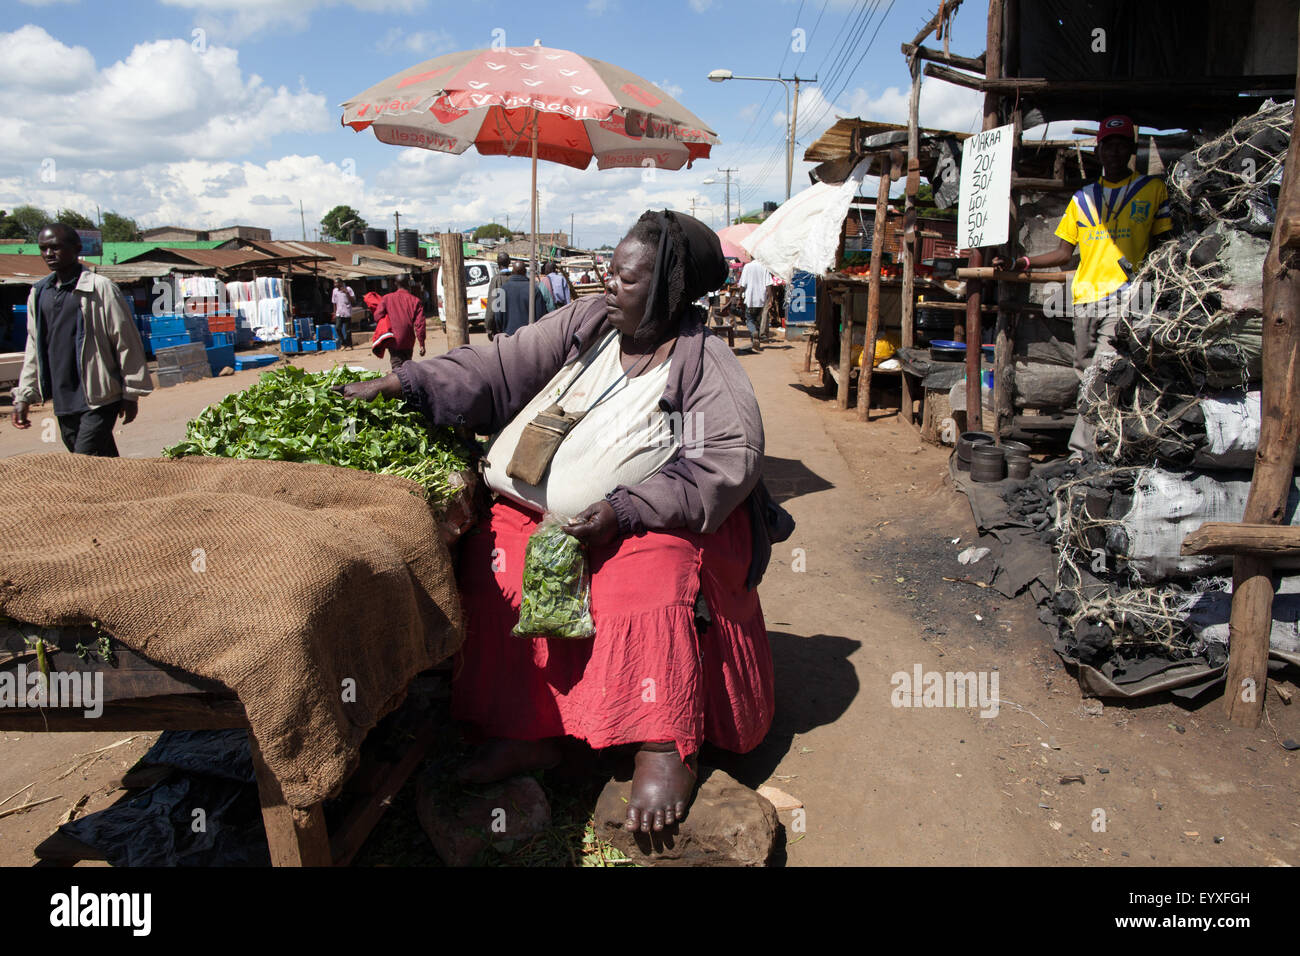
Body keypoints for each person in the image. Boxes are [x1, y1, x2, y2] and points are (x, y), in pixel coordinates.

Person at [339, 210, 788, 833]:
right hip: (540, 517)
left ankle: (662, 745)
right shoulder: (589, 324)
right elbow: (500, 367)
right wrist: (405, 382)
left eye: (626, 281)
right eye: (610, 272)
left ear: (668, 292)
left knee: (653, 581)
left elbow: (719, 463)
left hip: (641, 524)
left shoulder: (700, 363)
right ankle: (529, 733)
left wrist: (624, 510)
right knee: (488, 567)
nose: (609, 286)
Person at [994, 114, 1172, 457]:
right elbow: (1063, 251)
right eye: (1109, 145)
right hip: (1086, 297)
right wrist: (1022, 262)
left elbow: (1165, 244)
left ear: (1131, 150)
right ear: (1099, 149)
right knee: (1085, 371)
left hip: (1129, 296)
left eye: (1122, 145)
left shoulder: (1151, 190)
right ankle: (1107, 443)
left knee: (1104, 371)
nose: (1115, 152)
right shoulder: (1083, 198)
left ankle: (1081, 452)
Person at [11, 224, 152, 456]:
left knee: (82, 461)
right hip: (63, 397)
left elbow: (125, 340)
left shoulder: (100, 288)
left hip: (100, 397)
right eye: (43, 249)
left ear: (77, 249)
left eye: (56, 248)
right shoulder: (39, 293)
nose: (49, 254)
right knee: (102, 464)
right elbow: (34, 347)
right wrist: (24, 395)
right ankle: (128, 492)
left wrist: (131, 392)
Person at [372, 274, 426, 370]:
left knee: (397, 367)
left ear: (395, 284)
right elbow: (420, 324)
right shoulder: (415, 301)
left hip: (393, 340)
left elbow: (377, 316)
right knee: (407, 366)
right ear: (409, 284)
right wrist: (421, 343)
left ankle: (401, 383)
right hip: (408, 340)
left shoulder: (387, 298)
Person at [501, 261, 548, 335]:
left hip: (508, 335)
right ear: (525, 272)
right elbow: (540, 314)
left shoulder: (503, 289)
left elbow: (497, 315)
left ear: (512, 272)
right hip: (528, 336)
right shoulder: (534, 289)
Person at [738, 257, 772, 352]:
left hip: (750, 299)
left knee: (749, 320)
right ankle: (755, 345)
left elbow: (743, 284)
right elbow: (768, 285)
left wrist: (739, 296)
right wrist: (770, 298)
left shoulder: (747, 267)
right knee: (757, 321)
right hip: (761, 300)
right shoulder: (765, 267)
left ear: (751, 257)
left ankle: (754, 333)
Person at [485, 251, 511, 339]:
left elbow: (492, 305)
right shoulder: (515, 278)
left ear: (497, 264)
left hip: (500, 327)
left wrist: (489, 327)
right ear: (509, 262)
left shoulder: (496, 280)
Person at [330, 278, 356, 350]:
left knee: (348, 330)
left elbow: (353, 300)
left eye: (336, 283)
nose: (335, 285)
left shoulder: (348, 289)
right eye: (335, 283)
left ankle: (350, 345)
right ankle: (343, 343)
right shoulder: (334, 291)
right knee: (338, 328)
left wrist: (346, 293)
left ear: (341, 283)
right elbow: (334, 303)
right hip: (339, 312)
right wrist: (334, 313)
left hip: (347, 312)